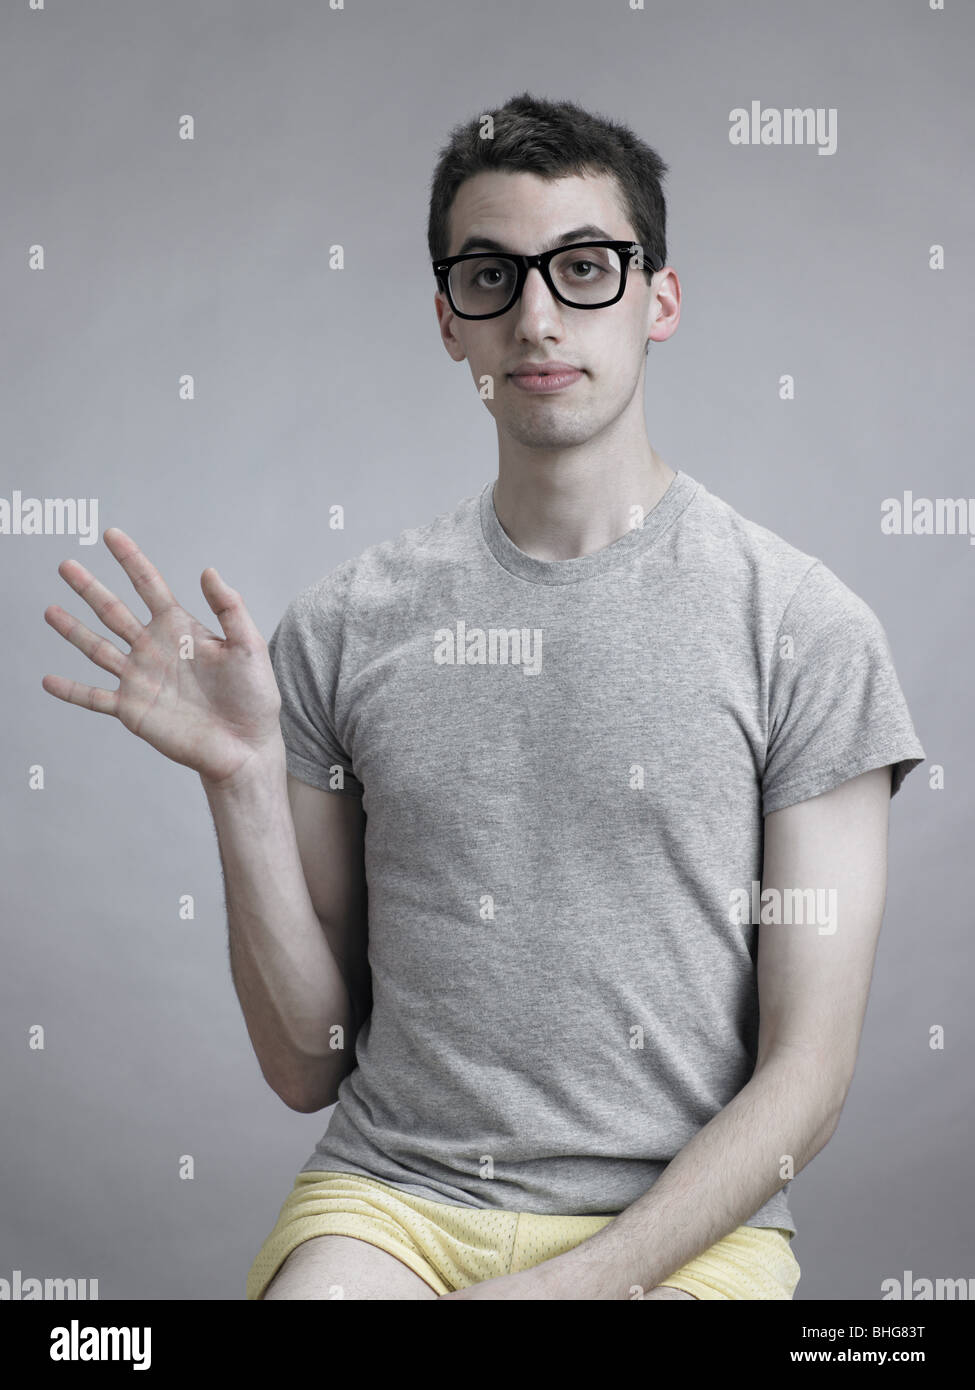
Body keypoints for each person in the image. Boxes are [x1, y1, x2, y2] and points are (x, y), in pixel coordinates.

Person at [43, 92, 925, 1301]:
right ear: (450, 323)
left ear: (659, 299)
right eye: (491, 277)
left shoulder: (805, 629)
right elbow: (310, 1065)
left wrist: (578, 1286)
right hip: (398, 1201)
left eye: (585, 268)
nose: (539, 315)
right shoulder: (347, 625)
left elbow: (809, 1076)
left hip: (684, 1228)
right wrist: (242, 782)